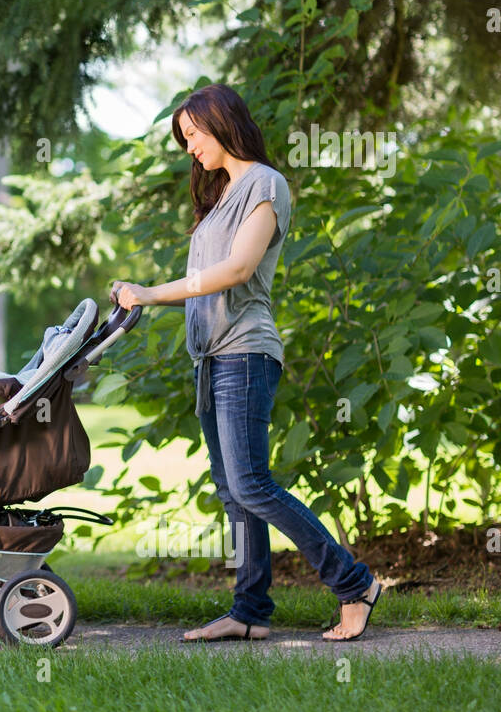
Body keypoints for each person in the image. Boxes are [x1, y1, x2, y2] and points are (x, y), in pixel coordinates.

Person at [110, 83, 383, 642]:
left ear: (222, 123)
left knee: (253, 483)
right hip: (211, 360)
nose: (189, 148)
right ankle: (250, 611)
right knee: (234, 491)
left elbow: (237, 270)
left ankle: (355, 584)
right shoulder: (220, 200)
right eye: (183, 139)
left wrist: (151, 292)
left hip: (246, 353)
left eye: (193, 135)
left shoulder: (265, 183)